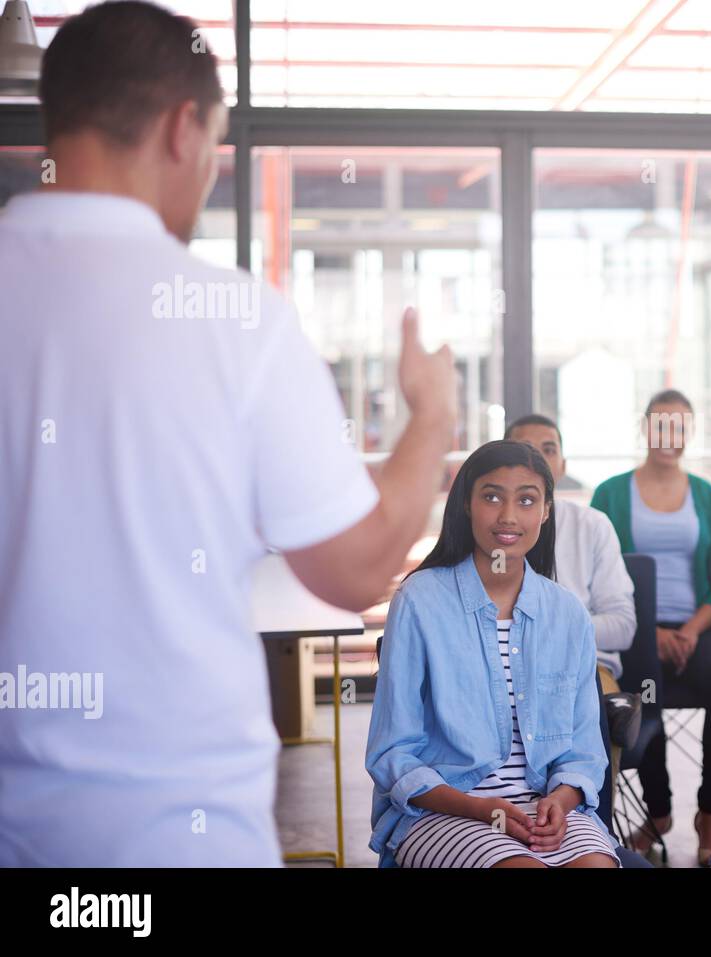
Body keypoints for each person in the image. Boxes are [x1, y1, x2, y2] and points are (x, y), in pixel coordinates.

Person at [0, 2, 455, 866]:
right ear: (182, 129)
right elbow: (353, 568)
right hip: (174, 828)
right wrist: (431, 417)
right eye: (214, 145)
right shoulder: (233, 321)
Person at [366, 440, 618, 868]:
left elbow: (584, 751)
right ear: (466, 504)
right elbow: (393, 753)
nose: (508, 516)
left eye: (526, 500)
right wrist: (483, 809)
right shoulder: (420, 600)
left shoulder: (567, 613)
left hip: (542, 807)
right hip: (443, 811)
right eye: (491, 496)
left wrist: (561, 798)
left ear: (546, 511)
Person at [590, 389, 711, 865]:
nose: (668, 435)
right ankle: (658, 813)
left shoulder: (709, 497)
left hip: (699, 627)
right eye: (660, 423)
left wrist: (692, 630)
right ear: (644, 428)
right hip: (636, 629)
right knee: (642, 687)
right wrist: (651, 632)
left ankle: (708, 808)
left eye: (679, 425)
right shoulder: (611, 494)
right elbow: (603, 576)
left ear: (690, 433)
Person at [505, 413, 639, 779]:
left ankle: (593, 826)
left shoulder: (592, 526)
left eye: (548, 450)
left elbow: (623, 627)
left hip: (587, 666)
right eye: (526, 450)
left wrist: (551, 630)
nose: (539, 460)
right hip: (498, 666)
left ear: (562, 465)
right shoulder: (491, 529)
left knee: (585, 708)